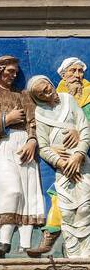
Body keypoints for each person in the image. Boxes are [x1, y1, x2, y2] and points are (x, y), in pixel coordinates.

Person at [0, 54, 44, 257]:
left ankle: (25, 244)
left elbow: (33, 120)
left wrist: (32, 140)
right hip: (4, 144)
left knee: (28, 193)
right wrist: (7, 119)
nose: (13, 75)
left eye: (16, 72)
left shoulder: (23, 94)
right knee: (11, 191)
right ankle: (4, 241)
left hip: (25, 144)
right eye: (10, 71)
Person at [32, 66, 90, 257]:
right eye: (42, 93)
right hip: (64, 169)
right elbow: (44, 147)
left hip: (81, 164)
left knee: (85, 207)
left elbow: (84, 127)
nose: (49, 92)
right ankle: (72, 253)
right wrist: (62, 162)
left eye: (48, 87)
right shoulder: (40, 114)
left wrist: (79, 154)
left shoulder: (68, 100)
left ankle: (86, 252)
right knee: (65, 210)